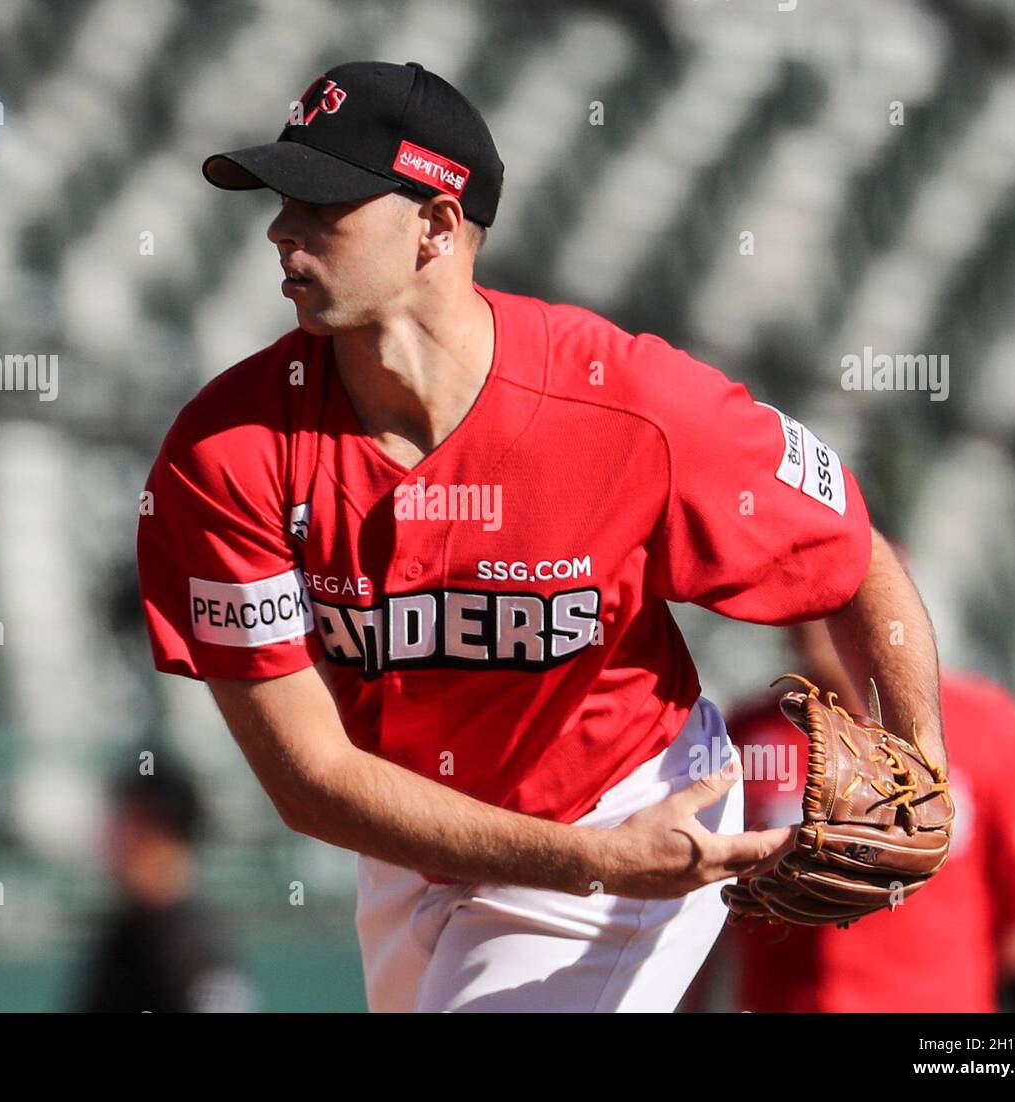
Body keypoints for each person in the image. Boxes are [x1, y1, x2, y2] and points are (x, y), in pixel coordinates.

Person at [136, 60, 947, 1012]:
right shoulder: (227, 452)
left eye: (328, 204)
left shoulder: (630, 404)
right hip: (415, 850)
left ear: (437, 224)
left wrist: (923, 760)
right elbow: (310, 778)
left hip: (628, 802)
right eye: (284, 198)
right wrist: (588, 862)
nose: (283, 229)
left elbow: (851, 557)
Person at [707, 615, 1015, 1013]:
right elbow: (706, 906)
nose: (813, 624)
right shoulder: (745, 735)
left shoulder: (987, 722)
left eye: (837, 606)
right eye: (805, 607)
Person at [76, 767, 257, 1013]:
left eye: (126, 824)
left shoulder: (190, 940)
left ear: (161, 831)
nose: (110, 839)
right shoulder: (127, 929)